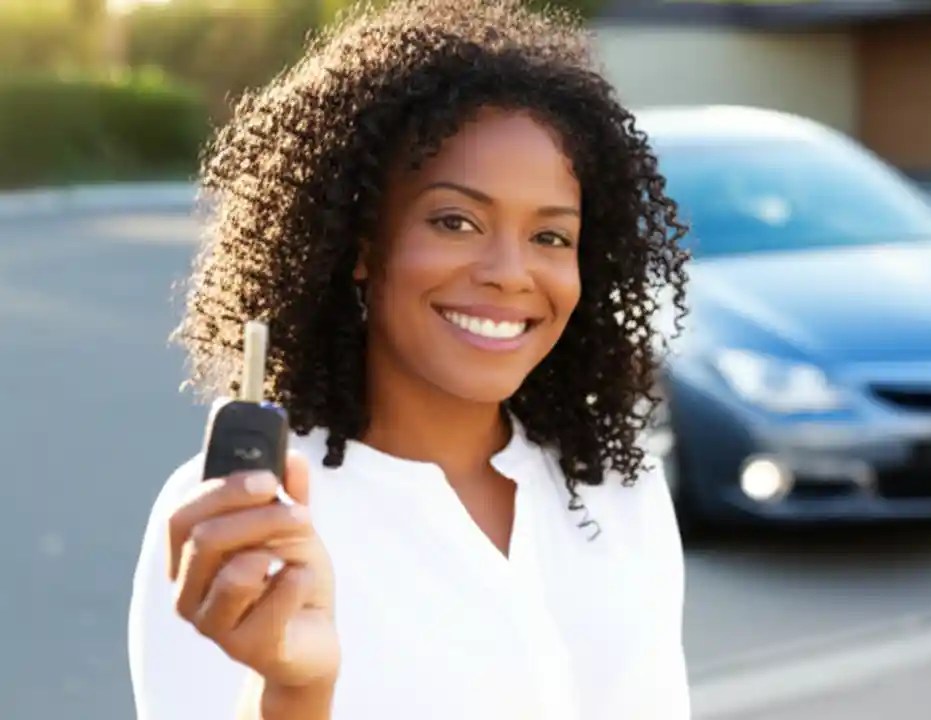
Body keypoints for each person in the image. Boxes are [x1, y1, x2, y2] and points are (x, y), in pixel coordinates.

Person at [126, 1, 692, 717]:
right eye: (455, 221)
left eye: (552, 237)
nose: (510, 272)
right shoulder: (249, 517)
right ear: (362, 245)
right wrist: (293, 690)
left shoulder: (618, 489)